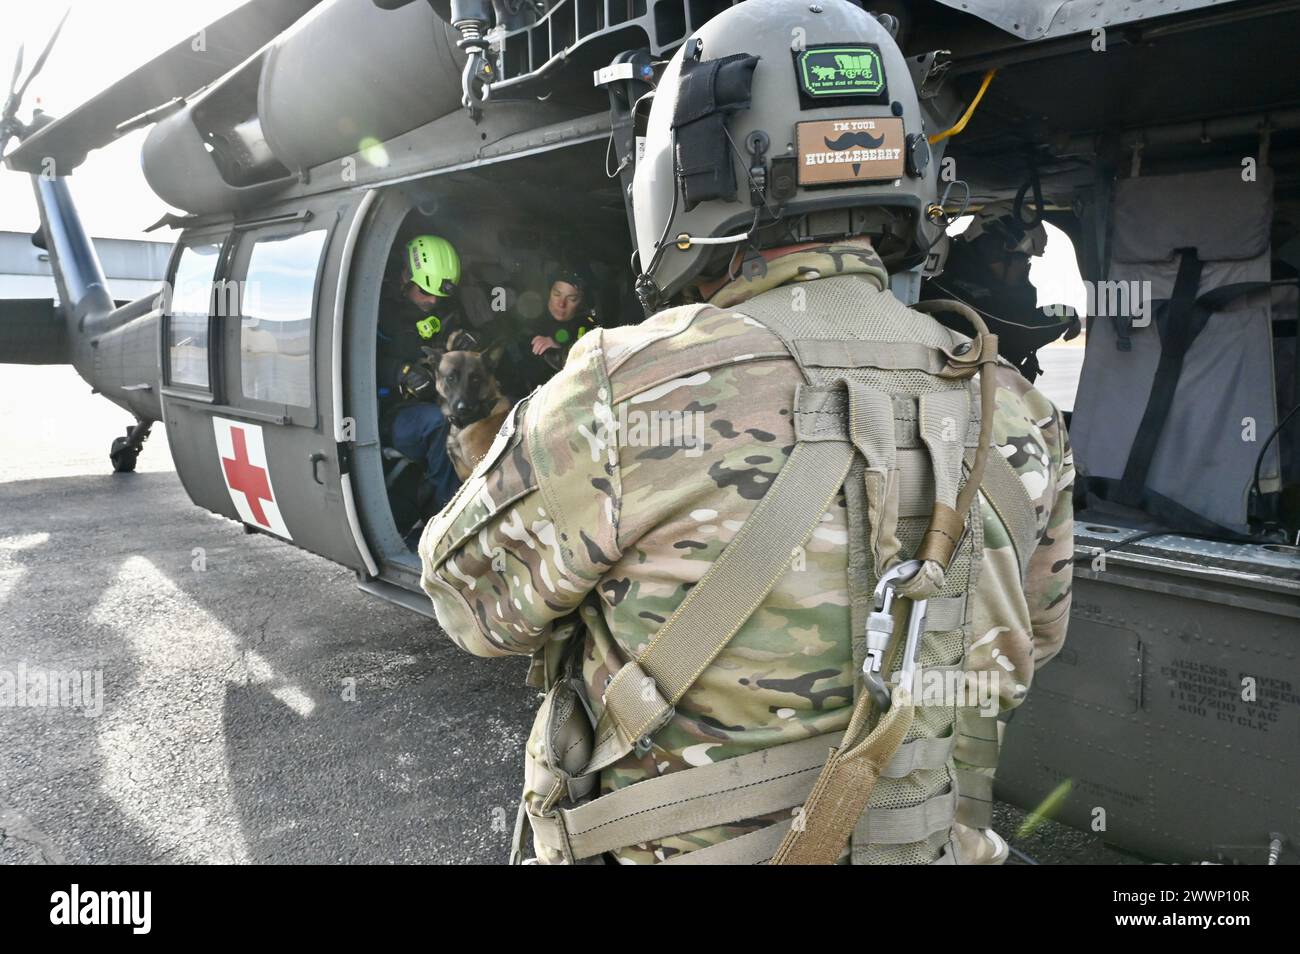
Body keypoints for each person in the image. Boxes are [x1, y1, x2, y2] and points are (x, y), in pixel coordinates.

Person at [419, 0, 1073, 865]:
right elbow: (1036, 637)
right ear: (910, 166)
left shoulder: (626, 390)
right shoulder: (1014, 408)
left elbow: (468, 604)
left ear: (692, 173)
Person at [923, 203, 1081, 382]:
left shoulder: (978, 284)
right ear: (995, 250)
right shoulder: (954, 289)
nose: (1025, 267)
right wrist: (1067, 315)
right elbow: (1019, 329)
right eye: (1024, 258)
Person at [377, 235, 465, 524]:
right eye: (424, 292)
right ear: (406, 277)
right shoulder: (378, 313)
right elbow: (346, 361)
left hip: (439, 399)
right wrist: (399, 372)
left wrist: (464, 344)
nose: (432, 301)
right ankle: (450, 516)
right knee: (438, 422)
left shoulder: (445, 312)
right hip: (392, 414)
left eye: (439, 296)